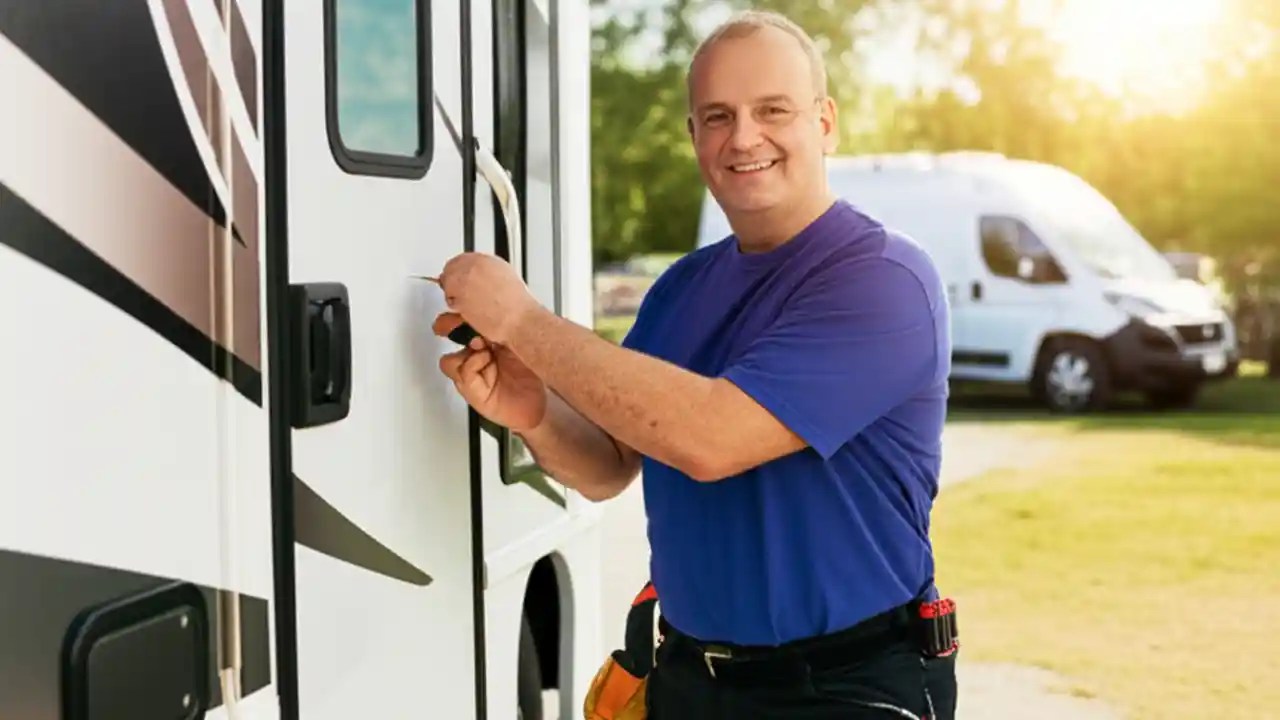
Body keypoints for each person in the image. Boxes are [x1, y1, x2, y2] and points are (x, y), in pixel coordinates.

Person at [433, 9, 958, 718]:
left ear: (825, 122)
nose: (743, 138)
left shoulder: (884, 280)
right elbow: (610, 467)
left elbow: (711, 440)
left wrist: (523, 322)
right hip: (687, 678)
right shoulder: (680, 289)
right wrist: (532, 413)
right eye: (716, 117)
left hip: (844, 686)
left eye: (772, 110)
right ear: (693, 137)